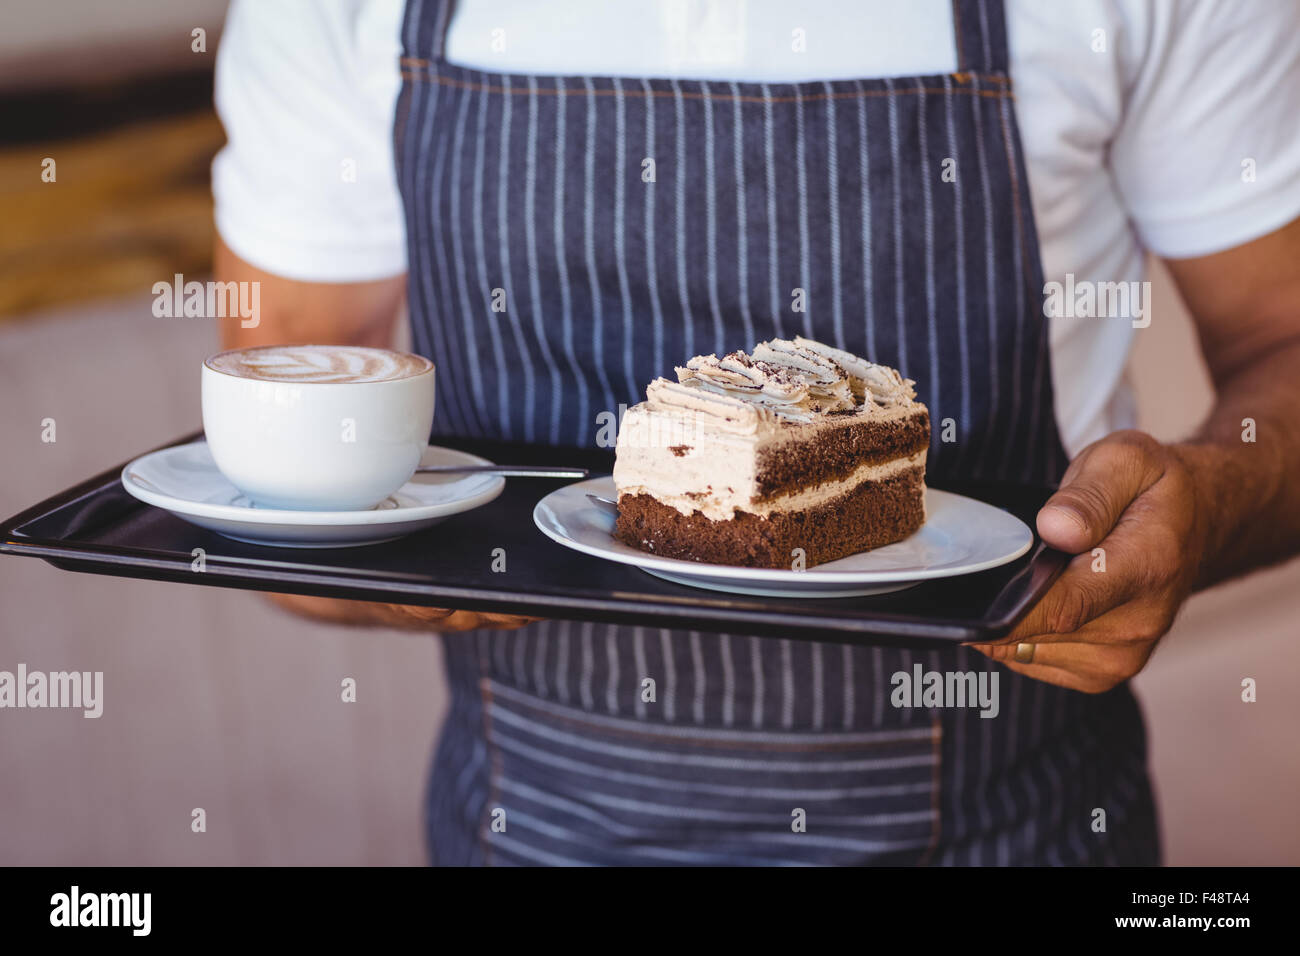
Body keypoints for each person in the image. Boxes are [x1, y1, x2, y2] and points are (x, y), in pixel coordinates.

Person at [211, 0, 1300, 864]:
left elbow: (1280, 340)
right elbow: (287, 450)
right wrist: (332, 561)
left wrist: (1202, 502)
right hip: (524, 826)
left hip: (1013, 827)